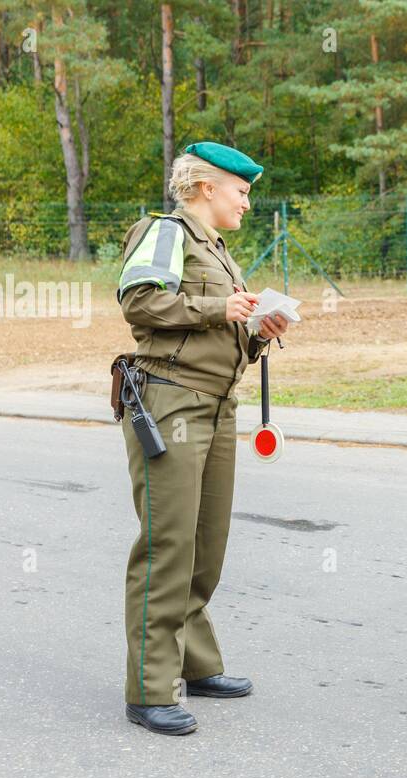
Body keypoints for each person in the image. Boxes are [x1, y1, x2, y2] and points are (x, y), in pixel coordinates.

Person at [114, 141, 290, 735]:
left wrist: (258, 328)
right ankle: (149, 687)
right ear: (206, 186)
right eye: (241, 191)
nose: (247, 202)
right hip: (170, 400)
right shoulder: (165, 231)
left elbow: (218, 323)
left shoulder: (219, 251)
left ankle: (195, 661)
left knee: (206, 545)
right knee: (168, 545)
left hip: (217, 405)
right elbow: (139, 302)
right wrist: (221, 309)